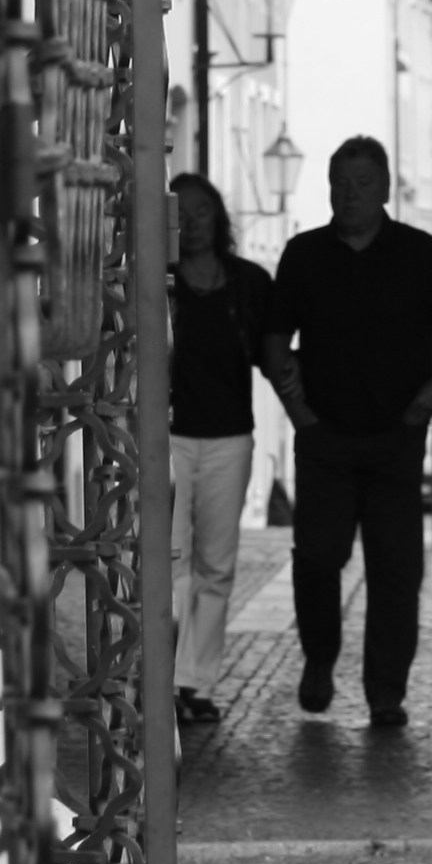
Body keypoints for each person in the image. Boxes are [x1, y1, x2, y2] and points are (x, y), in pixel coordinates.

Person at [265, 136, 432, 730]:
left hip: (396, 438)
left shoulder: (418, 252)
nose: (351, 193)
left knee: (395, 571)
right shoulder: (304, 254)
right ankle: (319, 660)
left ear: (385, 188)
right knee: (315, 560)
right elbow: (273, 340)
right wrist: (297, 411)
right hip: (325, 436)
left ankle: (386, 693)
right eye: (341, 182)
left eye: (363, 182)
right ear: (329, 187)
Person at [164, 170, 289, 730]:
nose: (191, 224)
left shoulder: (248, 283)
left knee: (217, 565)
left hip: (229, 437)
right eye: (181, 214)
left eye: (201, 212)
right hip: (166, 436)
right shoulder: (158, 283)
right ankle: (165, 678)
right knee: (172, 562)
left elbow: (274, 356)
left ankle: (198, 681)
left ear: (219, 218)